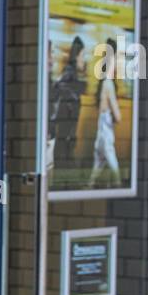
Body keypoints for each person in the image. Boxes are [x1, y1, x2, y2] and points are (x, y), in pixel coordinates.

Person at [88, 36, 123, 189]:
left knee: (97, 166)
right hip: (106, 135)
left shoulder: (104, 83)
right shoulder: (108, 85)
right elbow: (118, 116)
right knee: (115, 171)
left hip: (101, 133)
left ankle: (89, 186)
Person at [48, 35, 88, 169]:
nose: (84, 59)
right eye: (83, 55)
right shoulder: (69, 75)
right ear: (76, 56)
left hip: (66, 140)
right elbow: (58, 96)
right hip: (63, 141)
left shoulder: (74, 77)